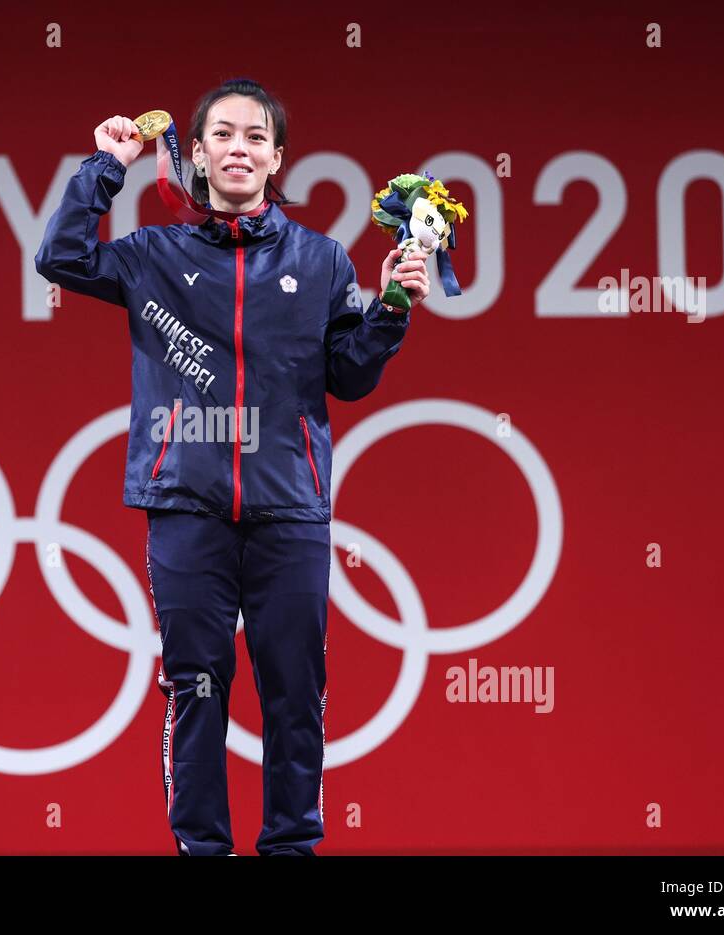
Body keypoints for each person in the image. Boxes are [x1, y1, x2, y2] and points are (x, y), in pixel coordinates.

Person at [34, 77, 429, 856]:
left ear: (276, 157)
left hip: (289, 507)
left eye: (255, 136)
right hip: (186, 502)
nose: (239, 147)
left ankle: (293, 846)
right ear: (198, 154)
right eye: (222, 134)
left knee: (295, 697)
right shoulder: (153, 255)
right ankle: (202, 849)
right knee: (196, 689)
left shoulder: (320, 259)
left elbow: (347, 376)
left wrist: (389, 311)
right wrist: (103, 168)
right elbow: (62, 256)